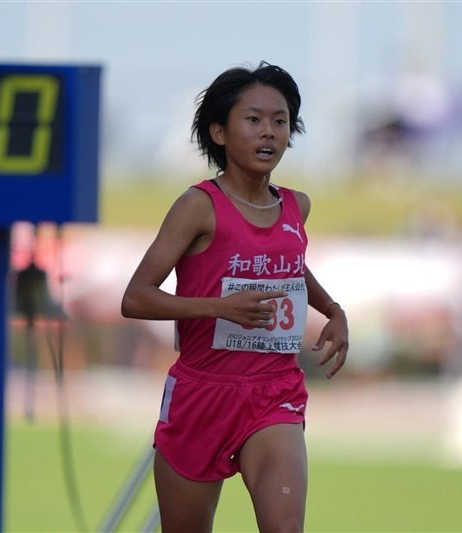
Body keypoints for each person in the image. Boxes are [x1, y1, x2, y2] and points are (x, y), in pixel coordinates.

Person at [121, 61, 349, 532]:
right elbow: (136, 298)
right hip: (200, 395)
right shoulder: (197, 207)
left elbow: (291, 265)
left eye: (280, 121)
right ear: (219, 133)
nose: (269, 133)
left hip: (273, 393)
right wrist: (219, 308)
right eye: (254, 120)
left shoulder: (296, 206)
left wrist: (332, 310)